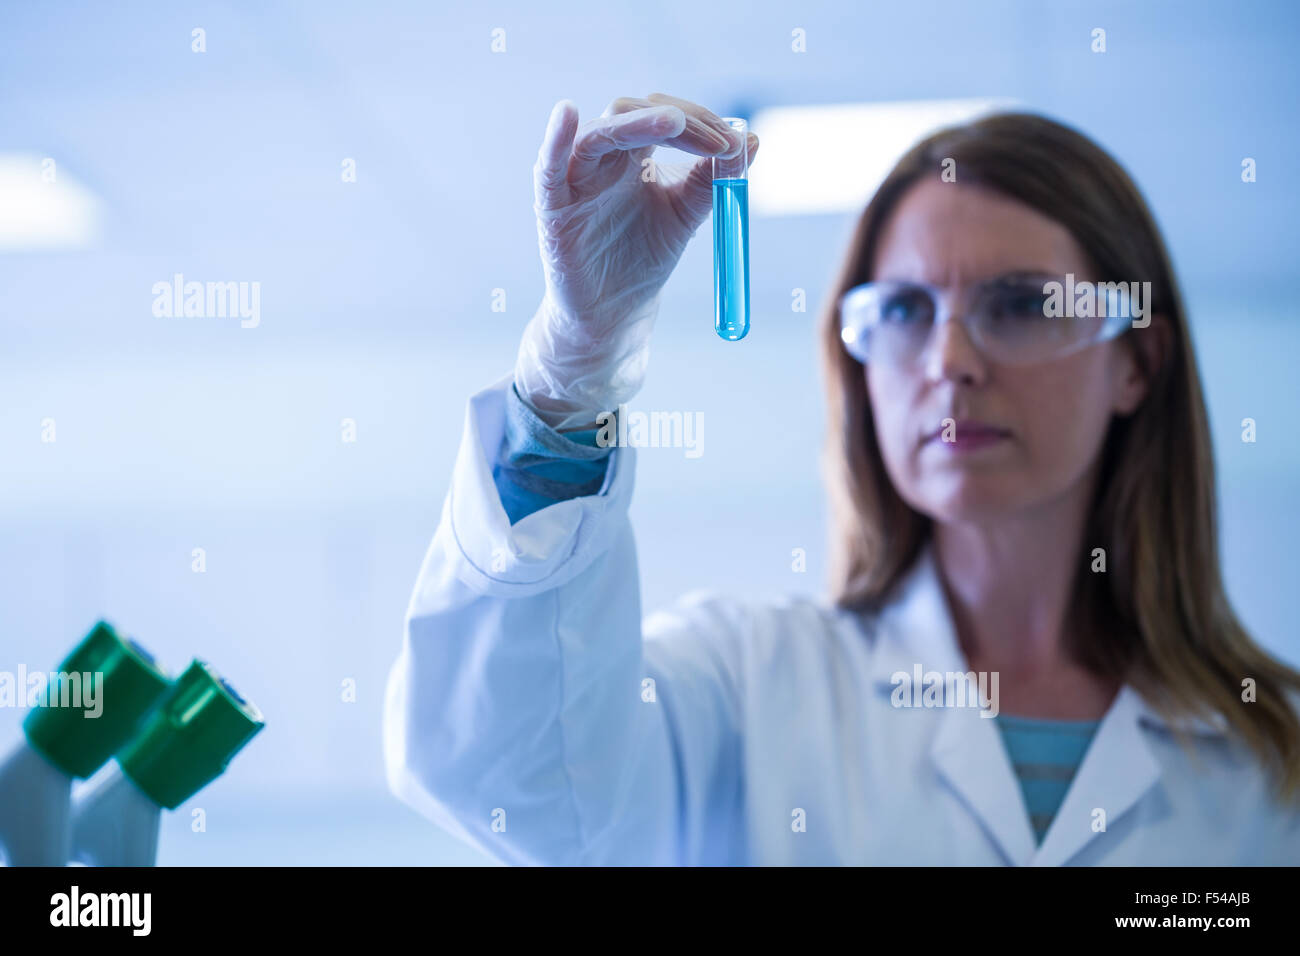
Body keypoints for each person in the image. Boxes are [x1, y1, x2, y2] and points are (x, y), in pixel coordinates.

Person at [382, 93, 1300, 865]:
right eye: (903, 308)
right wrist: (575, 364)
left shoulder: (1274, 753)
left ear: (1136, 361)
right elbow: (506, 775)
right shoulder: (752, 683)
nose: (950, 359)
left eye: (1019, 304)